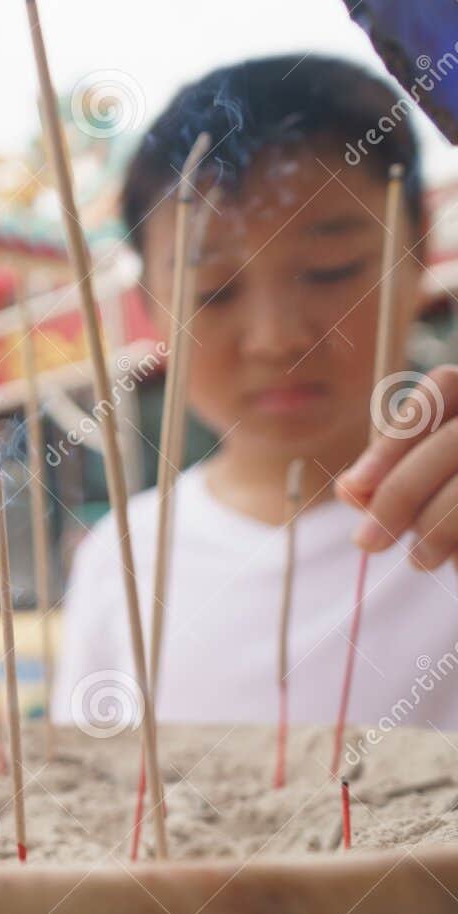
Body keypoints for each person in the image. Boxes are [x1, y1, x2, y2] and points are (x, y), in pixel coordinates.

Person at [53, 54, 458, 731]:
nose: (276, 338)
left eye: (330, 270)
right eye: (215, 290)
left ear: (417, 246)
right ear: (151, 301)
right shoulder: (121, 560)